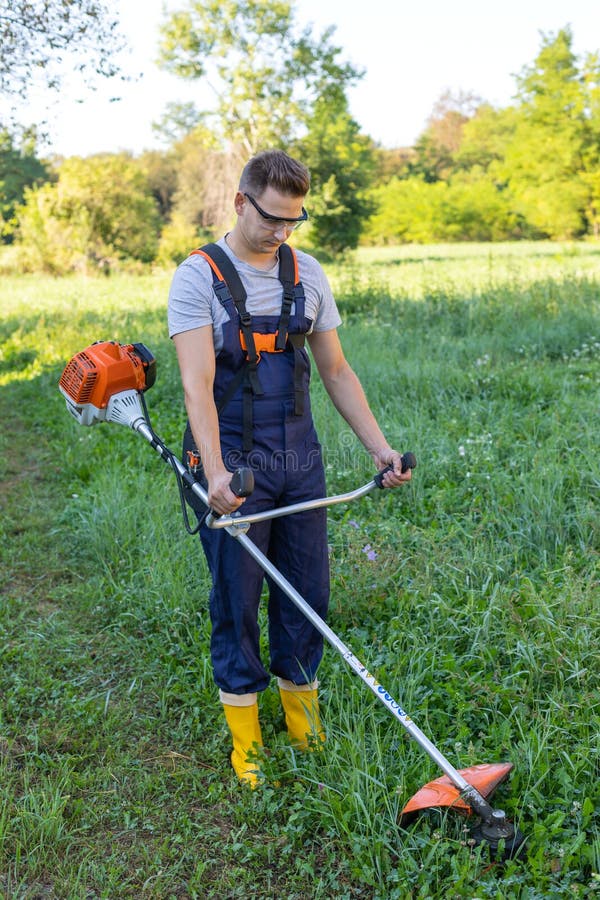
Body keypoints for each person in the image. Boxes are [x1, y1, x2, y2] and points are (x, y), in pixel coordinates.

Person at [168, 149, 411, 786]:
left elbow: (336, 370)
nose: (282, 232)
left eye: (294, 221)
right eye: (272, 218)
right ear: (242, 202)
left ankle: (302, 717)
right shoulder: (198, 278)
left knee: (307, 591)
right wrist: (215, 475)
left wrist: (379, 450)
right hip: (232, 461)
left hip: (299, 454)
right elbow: (197, 387)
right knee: (238, 598)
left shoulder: (308, 273)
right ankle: (245, 739)